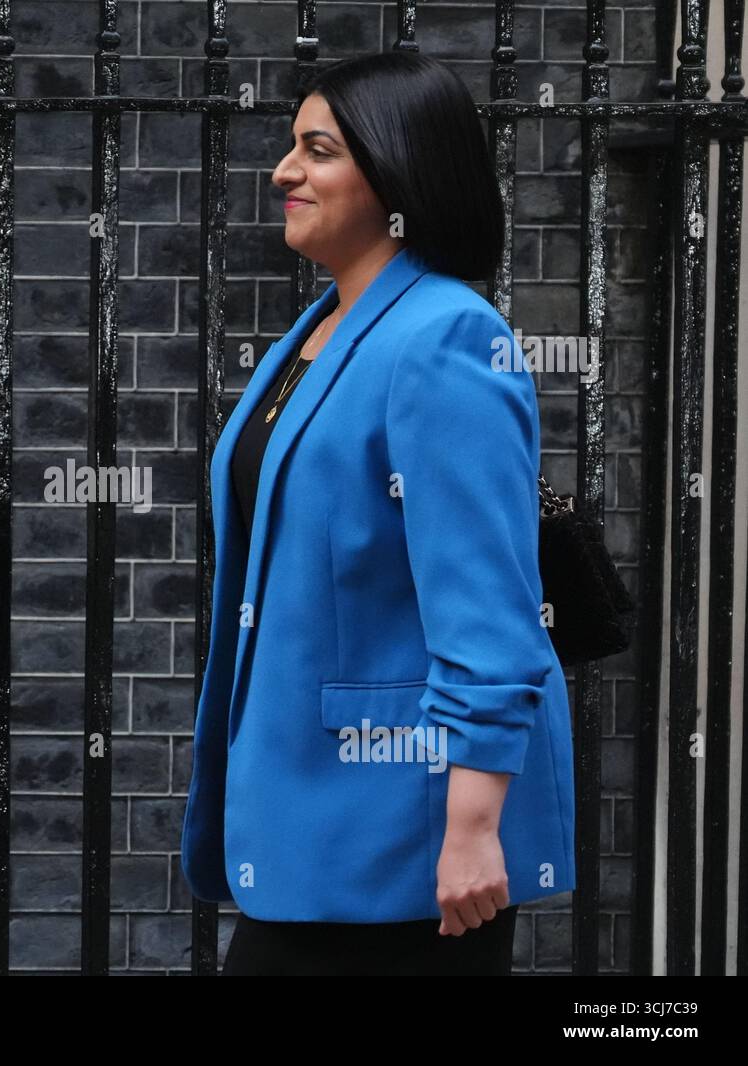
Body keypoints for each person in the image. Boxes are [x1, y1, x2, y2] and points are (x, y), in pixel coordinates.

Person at [179, 51, 576, 976]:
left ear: (397, 172)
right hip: (307, 818)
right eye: (290, 147)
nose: (284, 172)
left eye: (317, 150)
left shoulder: (445, 336)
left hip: (403, 838)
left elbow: (487, 605)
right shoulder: (322, 330)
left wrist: (474, 827)